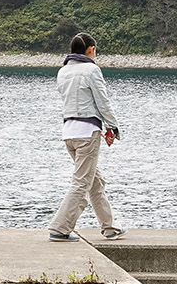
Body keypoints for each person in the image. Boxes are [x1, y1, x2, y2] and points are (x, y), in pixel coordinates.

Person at [49, 31, 123, 242]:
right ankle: (60, 228)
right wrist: (114, 128)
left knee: (95, 181)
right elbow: (103, 102)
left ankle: (110, 226)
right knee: (82, 183)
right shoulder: (92, 69)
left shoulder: (62, 72)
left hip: (69, 133)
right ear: (91, 49)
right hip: (87, 134)